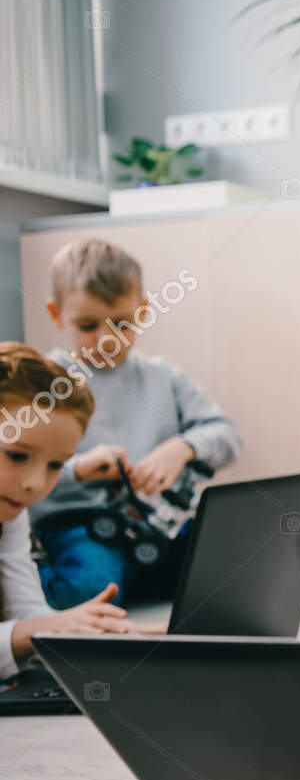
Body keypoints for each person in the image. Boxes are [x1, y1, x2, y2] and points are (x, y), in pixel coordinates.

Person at [31, 239, 242, 608]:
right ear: (56, 315)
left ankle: (132, 580)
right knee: (89, 585)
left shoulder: (162, 377)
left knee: (233, 569)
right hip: (80, 523)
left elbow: (226, 435)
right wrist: (77, 470)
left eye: (121, 324)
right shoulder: (44, 382)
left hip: (157, 521)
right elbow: (20, 468)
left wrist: (182, 448)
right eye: (87, 325)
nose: (106, 339)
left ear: (143, 312)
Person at [0, 343, 163, 683]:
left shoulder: (11, 513)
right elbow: (26, 630)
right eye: (16, 455)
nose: (35, 483)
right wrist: (32, 631)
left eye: (56, 465)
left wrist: (96, 632)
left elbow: (28, 614)